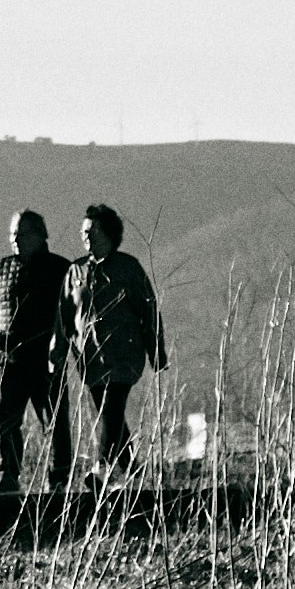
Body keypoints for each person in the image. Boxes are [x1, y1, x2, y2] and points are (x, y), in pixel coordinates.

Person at [71, 202, 169, 474]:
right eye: (83, 231)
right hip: (90, 359)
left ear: (109, 234)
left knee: (112, 406)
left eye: (91, 231)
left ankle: (103, 466)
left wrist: (157, 350)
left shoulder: (128, 268)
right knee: (109, 414)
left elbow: (148, 310)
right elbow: (63, 315)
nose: (85, 236)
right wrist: (60, 349)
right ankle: (130, 467)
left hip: (123, 355)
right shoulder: (76, 272)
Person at [0, 207, 73, 501]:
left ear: (38, 235)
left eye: (20, 234)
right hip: (10, 358)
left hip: (45, 359)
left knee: (54, 421)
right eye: (11, 234)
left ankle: (59, 479)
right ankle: (7, 474)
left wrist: (63, 348)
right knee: (6, 420)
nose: (14, 240)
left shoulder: (61, 269)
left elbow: (71, 313)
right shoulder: (3, 267)